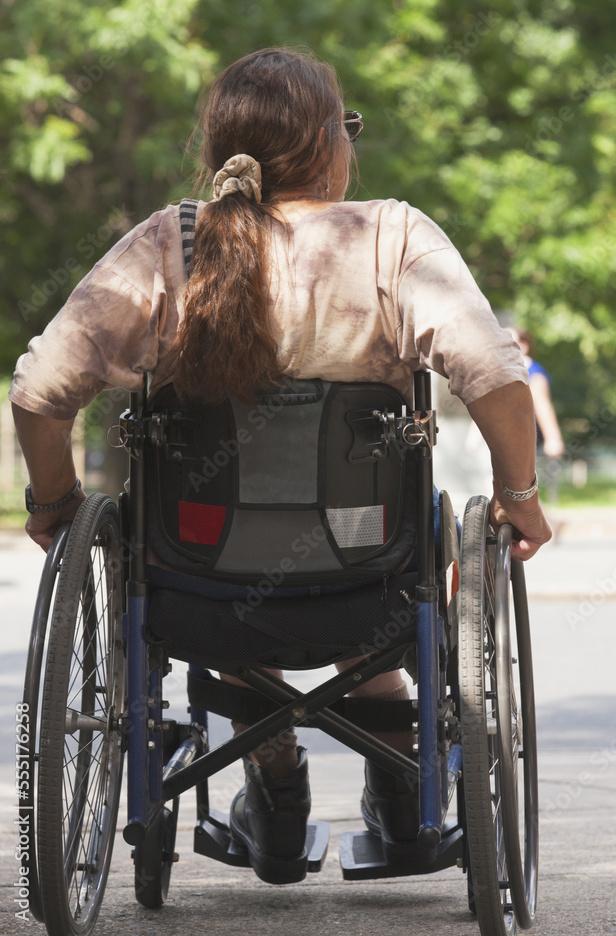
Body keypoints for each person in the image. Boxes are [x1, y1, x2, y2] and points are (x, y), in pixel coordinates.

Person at [10, 47, 551, 881]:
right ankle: (403, 802)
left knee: (228, 551)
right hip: (372, 577)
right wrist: (518, 496)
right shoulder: (391, 236)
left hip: (198, 591)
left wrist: (51, 505)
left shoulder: (168, 242)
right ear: (329, 143)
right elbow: (495, 376)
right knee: (360, 549)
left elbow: (41, 391)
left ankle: (275, 787)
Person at [508, 326, 565, 503]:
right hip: (507, 433)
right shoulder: (504, 371)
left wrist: (553, 438)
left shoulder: (534, 373)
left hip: (524, 435)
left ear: (523, 346)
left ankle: (538, 523)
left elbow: (543, 404)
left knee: (519, 487)